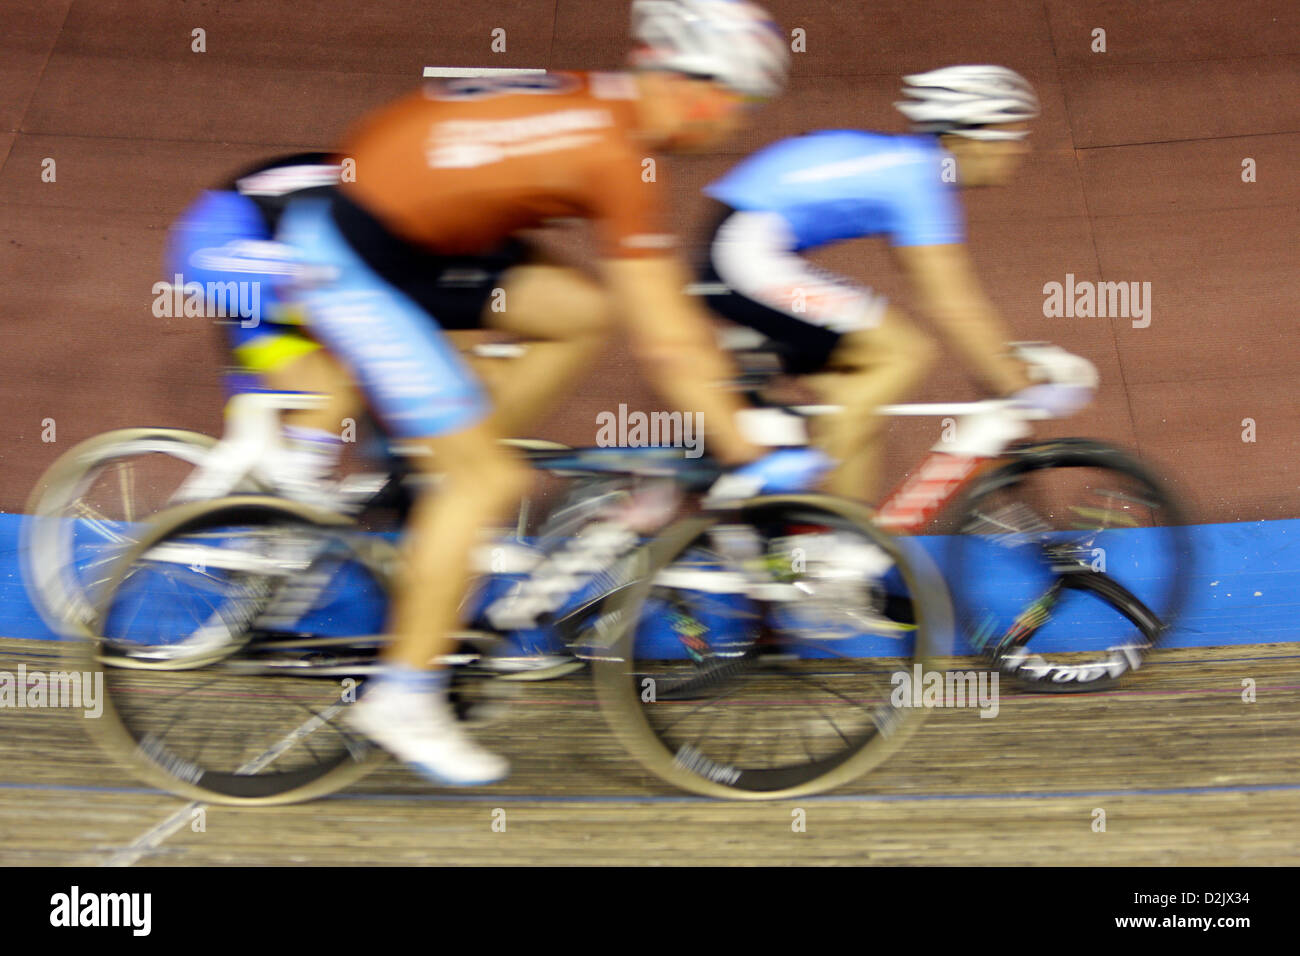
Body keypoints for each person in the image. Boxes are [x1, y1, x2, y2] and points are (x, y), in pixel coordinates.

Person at [275, 0, 827, 787]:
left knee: (582, 310)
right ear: (694, 86)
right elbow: (667, 338)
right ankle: (403, 696)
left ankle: (443, 469)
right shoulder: (617, 150)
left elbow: (649, 302)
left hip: (406, 233)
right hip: (358, 258)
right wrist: (744, 444)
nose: (737, 122)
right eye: (741, 102)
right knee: (491, 479)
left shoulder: (603, 105)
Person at [697, 65, 1091, 500]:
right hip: (746, 252)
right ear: (972, 136)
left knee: (857, 395)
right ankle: (777, 491)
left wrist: (1002, 366)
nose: (1021, 149)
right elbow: (949, 301)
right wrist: (1015, 382)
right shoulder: (921, 178)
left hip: (742, 245)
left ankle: (840, 545)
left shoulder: (913, 166)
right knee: (905, 351)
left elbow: (945, 296)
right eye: (1012, 135)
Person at [164, 153, 358, 492]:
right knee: (341, 382)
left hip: (261, 255)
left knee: (340, 382)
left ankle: (276, 483)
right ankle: (298, 496)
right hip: (222, 245)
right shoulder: (389, 200)